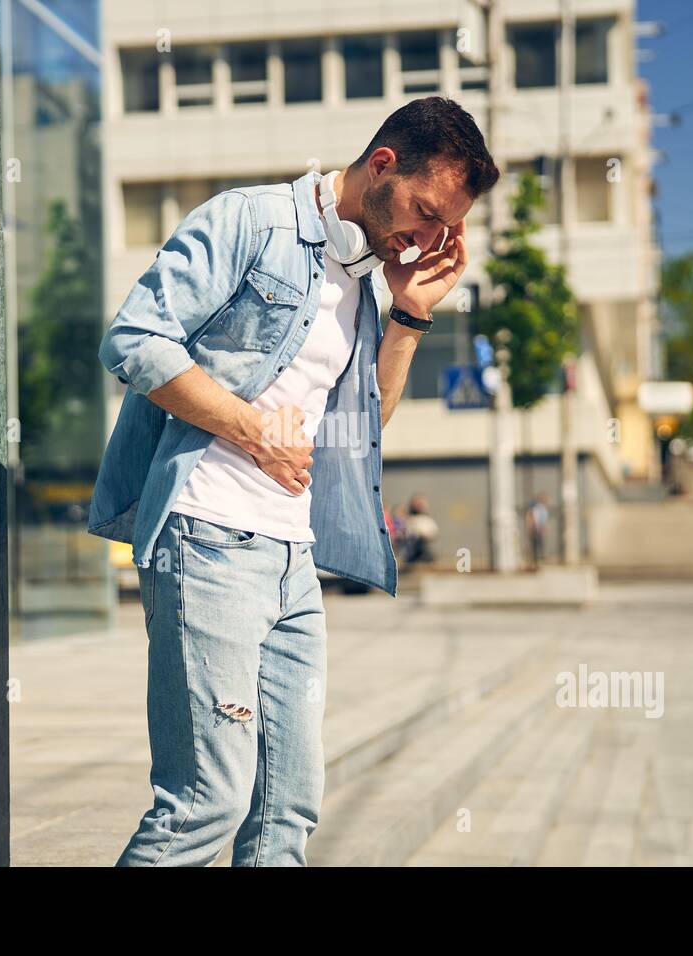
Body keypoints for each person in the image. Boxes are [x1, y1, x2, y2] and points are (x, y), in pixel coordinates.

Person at [87, 97, 498, 866]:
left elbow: (360, 428)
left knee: (286, 816)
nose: (430, 237)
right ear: (383, 165)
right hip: (207, 537)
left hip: (292, 559)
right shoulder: (250, 221)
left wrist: (407, 314)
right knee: (204, 805)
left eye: (446, 229)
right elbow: (134, 340)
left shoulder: (365, 282)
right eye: (425, 211)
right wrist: (249, 429)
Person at [403, 493, 439, 565]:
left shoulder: (427, 519)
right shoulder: (408, 519)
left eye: (421, 504)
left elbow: (433, 533)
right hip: (411, 554)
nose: (420, 506)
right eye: (418, 504)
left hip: (425, 553)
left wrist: (423, 534)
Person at [526, 493, 549, 570]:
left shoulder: (543, 508)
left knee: (539, 547)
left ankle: (538, 563)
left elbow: (543, 520)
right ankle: (533, 564)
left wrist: (543, 528)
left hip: (539, 530)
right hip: (535, 530)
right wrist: (531, 527)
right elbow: (533, 518)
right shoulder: (536, 508)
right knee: (534, 547)